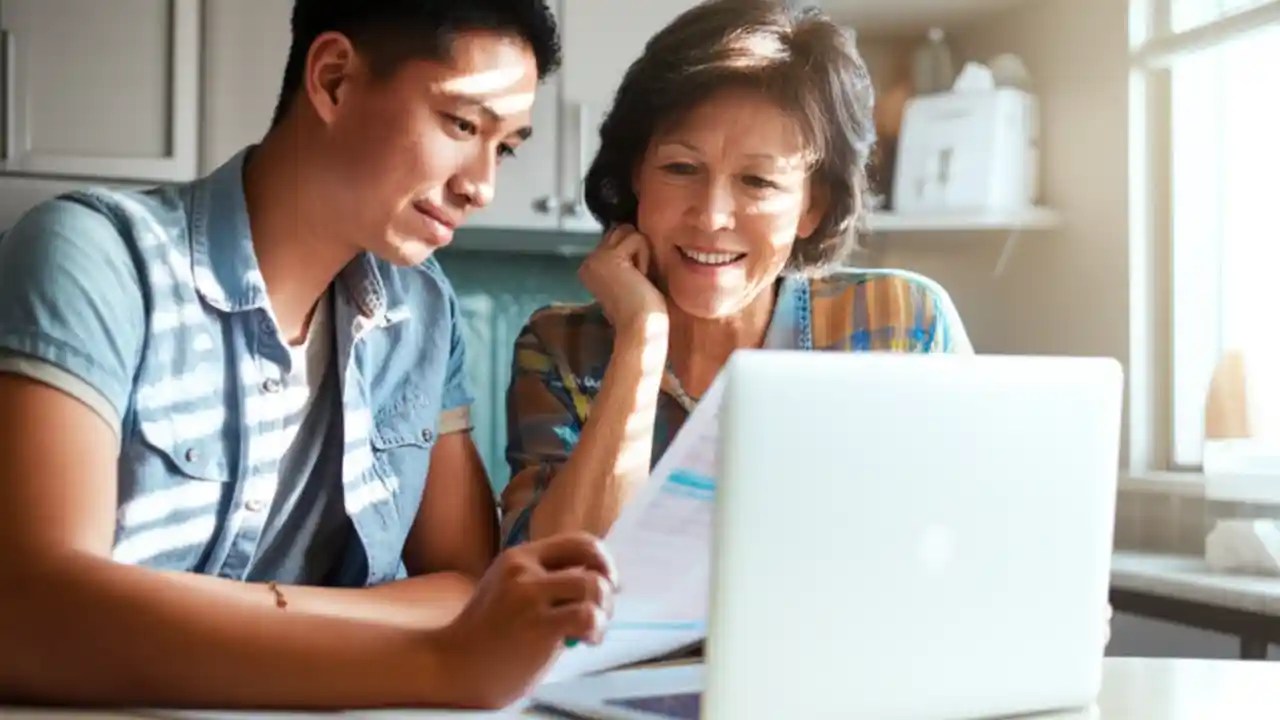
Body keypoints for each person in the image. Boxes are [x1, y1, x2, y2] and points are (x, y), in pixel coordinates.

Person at [0, 0, 614, 711]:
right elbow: (29, 608)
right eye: (462, 125)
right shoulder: (94, 259)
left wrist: (265, 613)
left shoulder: (422, 311)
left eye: (503, 147)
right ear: (332, 80)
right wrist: (435, 665)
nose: (482, 184)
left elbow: (461, 584)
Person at [501, 0, 973, 545]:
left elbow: (971, 533)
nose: (711, 216)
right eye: (681, 169)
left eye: (758, 182)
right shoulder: (561, 347)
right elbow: (550, 580)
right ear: (637, 178)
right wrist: (641, 338)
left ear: (811, 207)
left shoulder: (899, 324)